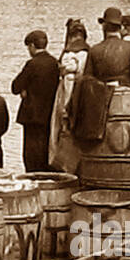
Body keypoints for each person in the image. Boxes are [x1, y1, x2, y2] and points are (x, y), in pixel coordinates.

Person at [12, 29, 61, 172]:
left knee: (31, 153)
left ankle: (32, 177)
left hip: (31, 115)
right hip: (49, 114)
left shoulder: (32, 64)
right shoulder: (54, 63)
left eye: (29, 47)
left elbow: (15, 87)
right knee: (45, 149)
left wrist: (24, 90)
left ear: (32, 46)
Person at [50, 19, 89, 174]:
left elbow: (67, 79)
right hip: (84, 96)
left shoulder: (69, 55)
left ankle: (63, 166)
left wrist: (66, 108)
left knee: (61, 130)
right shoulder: (88, 52)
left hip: (69, 93)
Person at [83, 7, 130, 84]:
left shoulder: (94, 49)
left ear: (103, 26)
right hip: (124, 92)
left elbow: (87, 78)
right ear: (120, 27)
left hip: (102, 93)